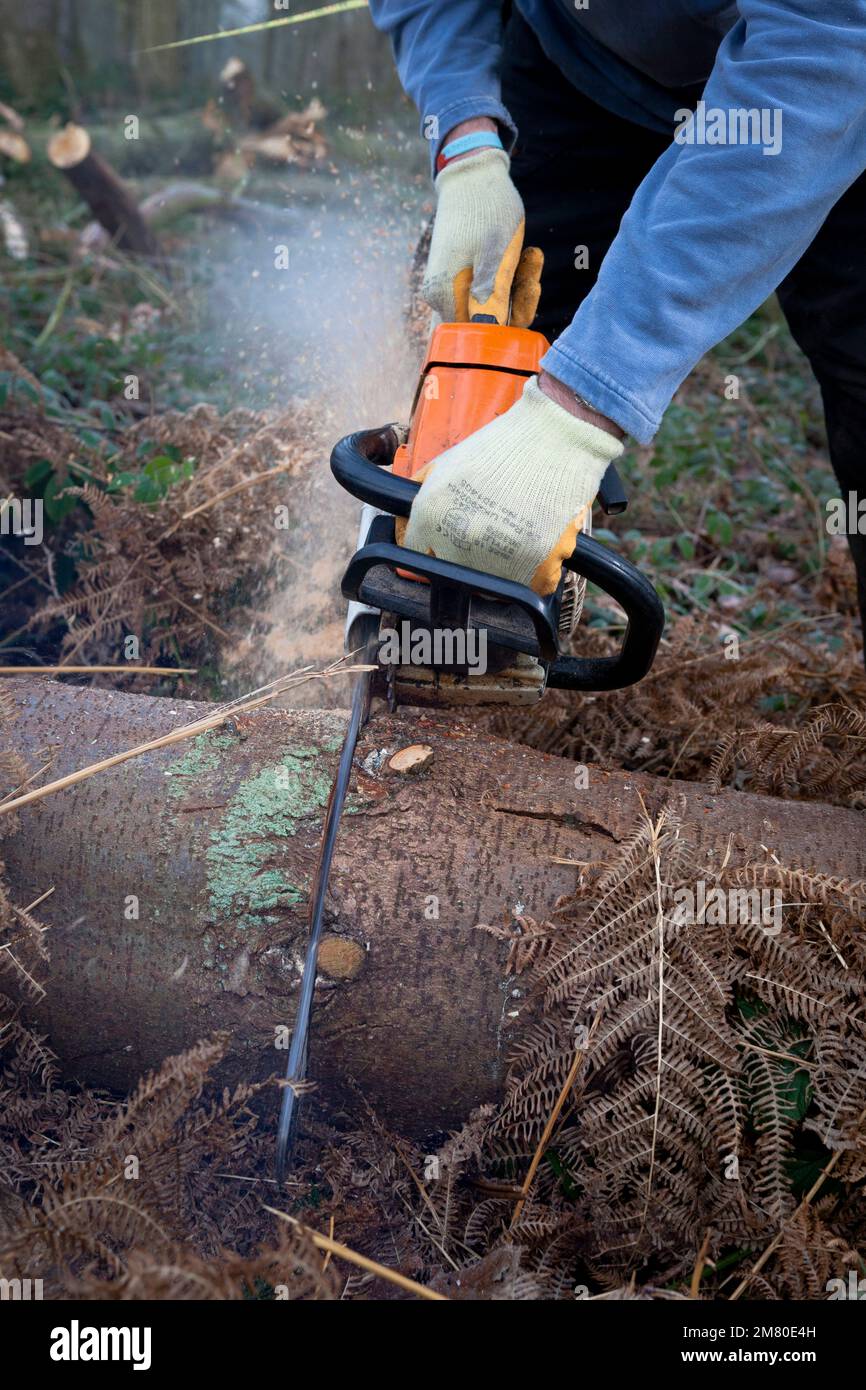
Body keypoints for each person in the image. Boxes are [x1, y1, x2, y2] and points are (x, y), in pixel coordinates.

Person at [368, 0, 866, 650]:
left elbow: (821, 48)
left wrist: (580, 406)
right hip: (581, 65)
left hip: (824, 79)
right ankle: (461, 637)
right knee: (481, 332)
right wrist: (467, 140)